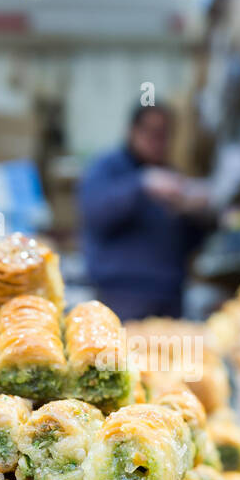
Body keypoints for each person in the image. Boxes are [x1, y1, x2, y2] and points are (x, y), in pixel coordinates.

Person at [77, 104, 210, 319]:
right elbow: (96, 213)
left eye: (164, 134)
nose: (157, 141)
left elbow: (188, 243)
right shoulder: (107, 168)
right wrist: (141, 185)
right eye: (151, 132)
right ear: (132, 131)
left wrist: (196, 213)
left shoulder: (172, 176)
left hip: (169, 294)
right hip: (121, 292)